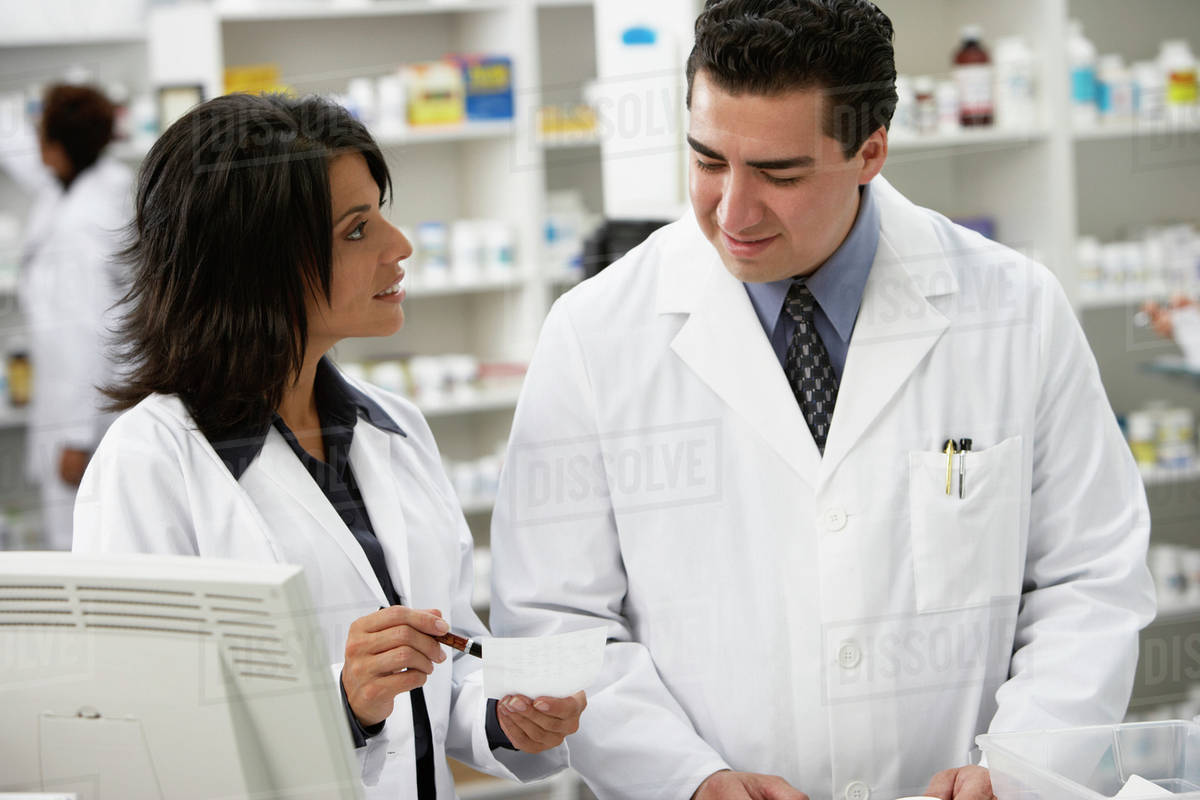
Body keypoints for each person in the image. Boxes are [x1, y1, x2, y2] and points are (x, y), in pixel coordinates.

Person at [489, 2, 1155, 799]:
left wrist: (1017, 768)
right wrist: (684, 779)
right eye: (706, 160)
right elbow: (552, 620)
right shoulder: (594, 335)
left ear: (870, 150)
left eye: (779, 173)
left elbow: (1091, 580)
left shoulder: (1016, 310)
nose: (732, 212)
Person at [72, 93, 586, 799]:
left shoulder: (393, 429)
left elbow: (447, 661)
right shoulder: (150, 463)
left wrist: (503, 715)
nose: (398, 246)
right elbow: (139, 739)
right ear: (255, 262)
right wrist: (341, 705)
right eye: (356, 230)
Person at [0, 84, 132, 549]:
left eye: (42, 137)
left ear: (57, 149)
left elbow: (85, 334)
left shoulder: (82, 225)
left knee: (84, 547)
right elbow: (23, 159)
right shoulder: (85, 188)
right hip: (88, 405)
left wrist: (76, 438)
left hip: (87, 419)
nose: (35, 148)